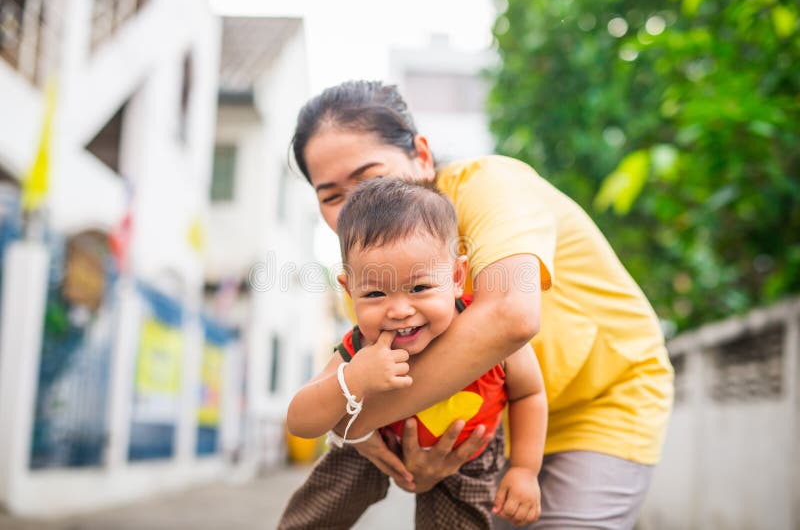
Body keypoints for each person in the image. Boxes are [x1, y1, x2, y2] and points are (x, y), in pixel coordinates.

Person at [283, 80, 674, 529]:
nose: (356, 204)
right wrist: (382, 436)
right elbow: (350, 387)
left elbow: (511, 316)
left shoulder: (491, 186)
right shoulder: (374, 272)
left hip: (602, 399)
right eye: (331, 196)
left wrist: (354, 419)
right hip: (491, 429)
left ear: (422, 156)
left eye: (370, 178)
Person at [281, 178, 547, 528]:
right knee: (319, 505)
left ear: (456, 276)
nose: (400, 310)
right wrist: (354, 379)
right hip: (374, 441)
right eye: (375, 294)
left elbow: (530, 393)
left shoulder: (485, 331)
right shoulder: (362, 346)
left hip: (466, 455)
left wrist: (526, 470)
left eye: (420, 288)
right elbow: (300, 422)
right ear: (349, 289)